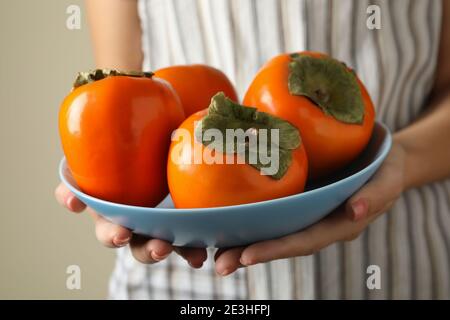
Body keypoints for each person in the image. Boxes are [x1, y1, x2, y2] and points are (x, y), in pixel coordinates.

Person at [55, 0, 450, 299]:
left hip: (399, 259)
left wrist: (403, 159)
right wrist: (111, 197)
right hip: (185, 281)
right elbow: (117, 98)